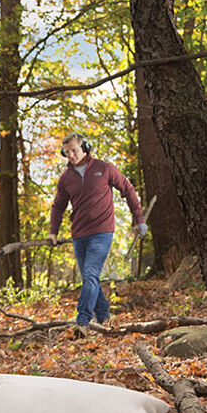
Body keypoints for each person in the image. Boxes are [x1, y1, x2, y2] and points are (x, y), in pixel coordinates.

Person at [48, 133, 146, 327]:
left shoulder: (104, 168)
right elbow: (58, 206)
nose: (72, 156)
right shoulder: (66, 178)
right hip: (79, 234)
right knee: (88, 277)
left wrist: (139, 219)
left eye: (74, 151)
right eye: (67, 153)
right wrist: (53, 232)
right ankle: (103, 316)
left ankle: (82, 322)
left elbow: (127, 189)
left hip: (102, 231)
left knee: (91, 274)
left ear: (85, 147)